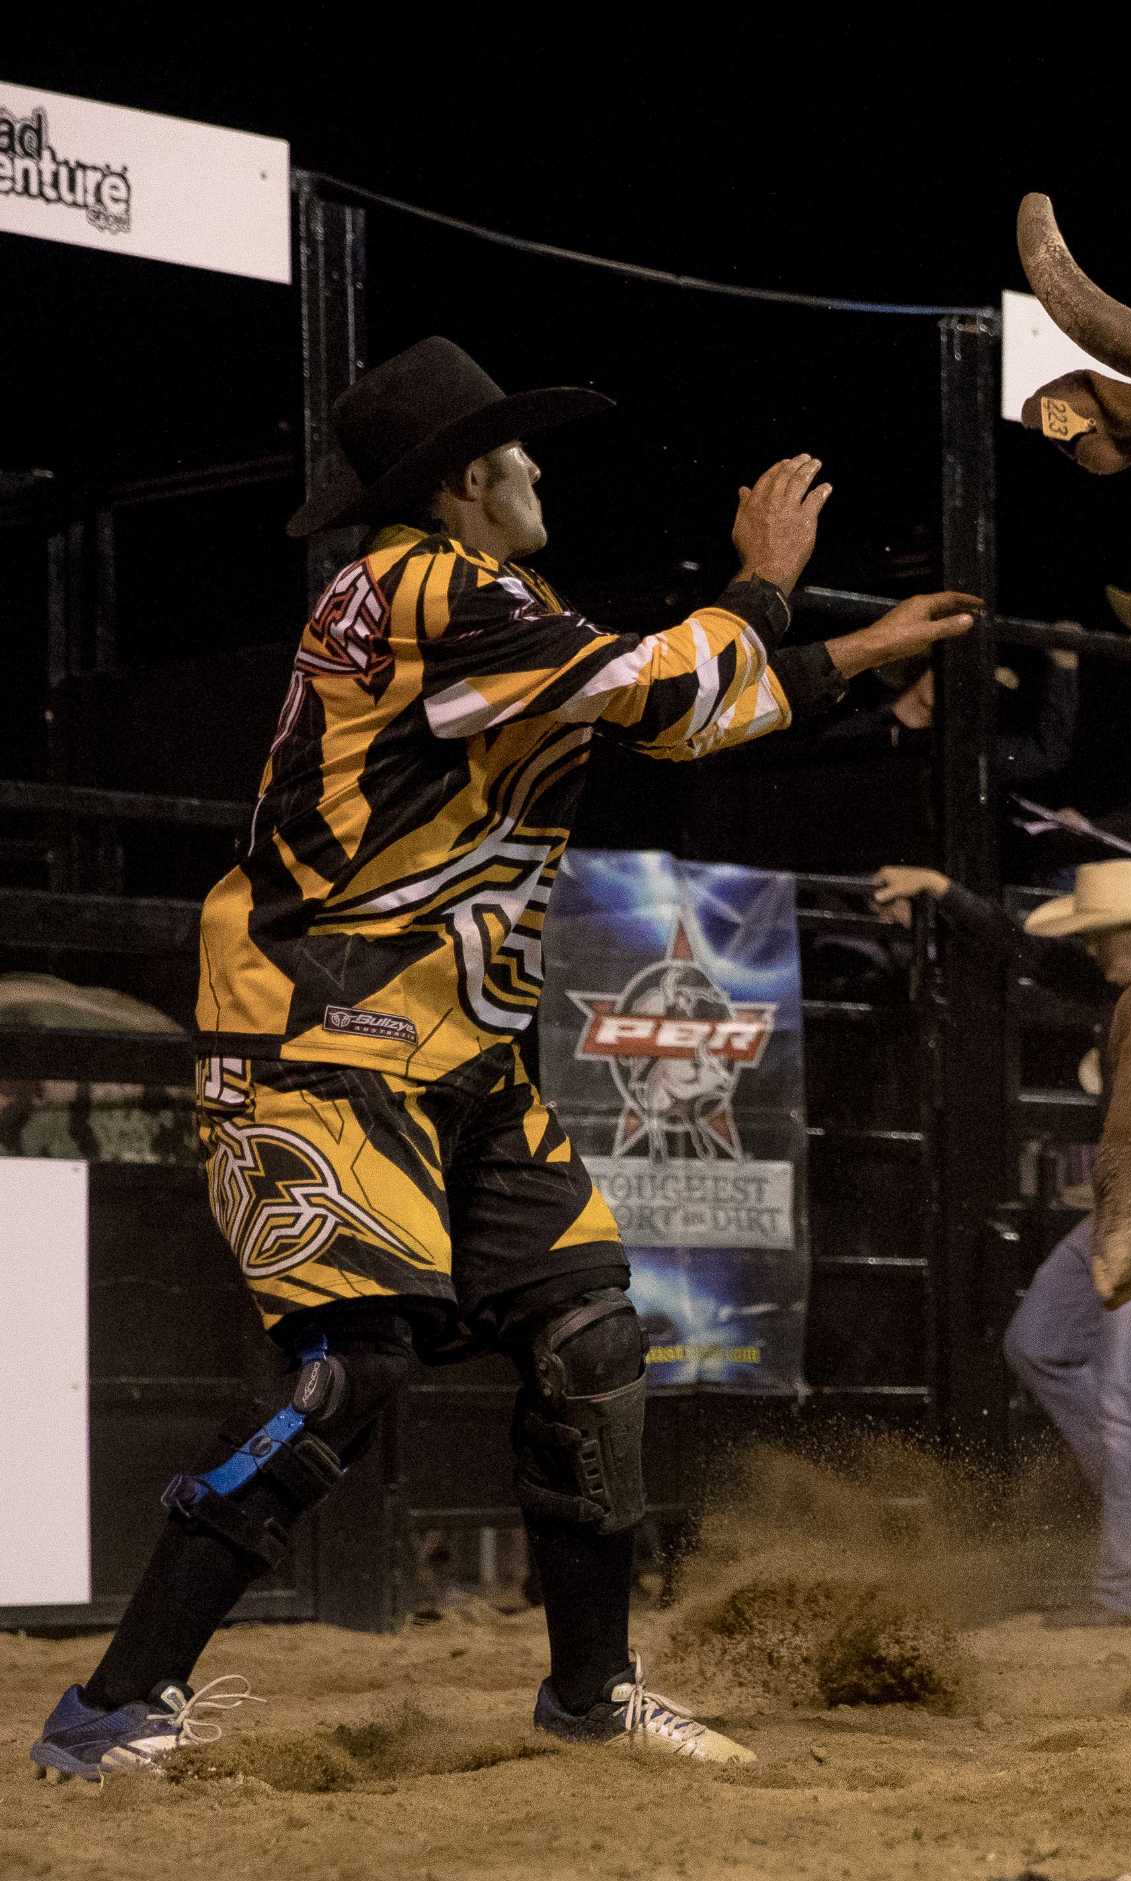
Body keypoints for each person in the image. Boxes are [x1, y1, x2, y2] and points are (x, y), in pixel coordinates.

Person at [29, 336, 978, 1782]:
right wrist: (767, 581)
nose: (542, 475)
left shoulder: (472, 604)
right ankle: (115, 1705)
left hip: (449, 1042)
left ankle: (592, 1695)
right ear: (474, 479)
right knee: (353, 1371)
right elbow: (665, 690)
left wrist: (844, 654)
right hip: (321, 1030)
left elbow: (655, 707)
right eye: (523, 458)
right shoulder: (433, 589)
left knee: (588, 1332)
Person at [872, 856, 1131, 1625]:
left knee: (1129, 1392)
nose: (1091, 951)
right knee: (1040, 1344)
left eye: (1100, 937)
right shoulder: (1129, 992)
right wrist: (943, 892)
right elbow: (1022, 947)